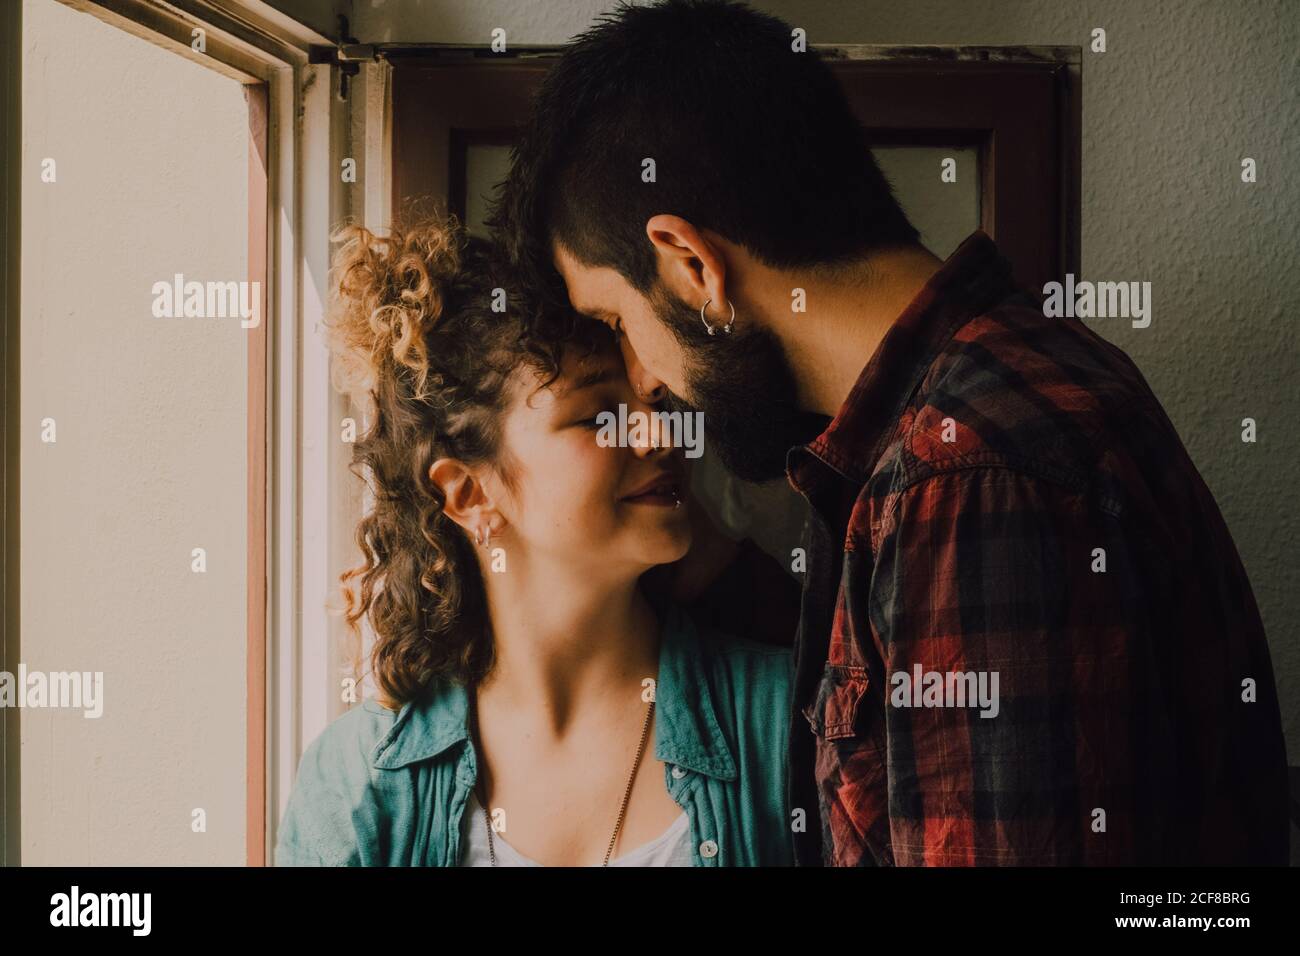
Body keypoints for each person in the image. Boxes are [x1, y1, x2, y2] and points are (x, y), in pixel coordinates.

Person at [488, 0, 1290, 865]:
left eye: (615, 322)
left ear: (691, 265)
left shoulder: (969, 479)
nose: (643, 383)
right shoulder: (995, 395)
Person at [274, 211, 795, 867]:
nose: (659, 436)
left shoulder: (784, 726)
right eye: (599, 416)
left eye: (652, 406)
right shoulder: (360, 782)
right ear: (468, 494)